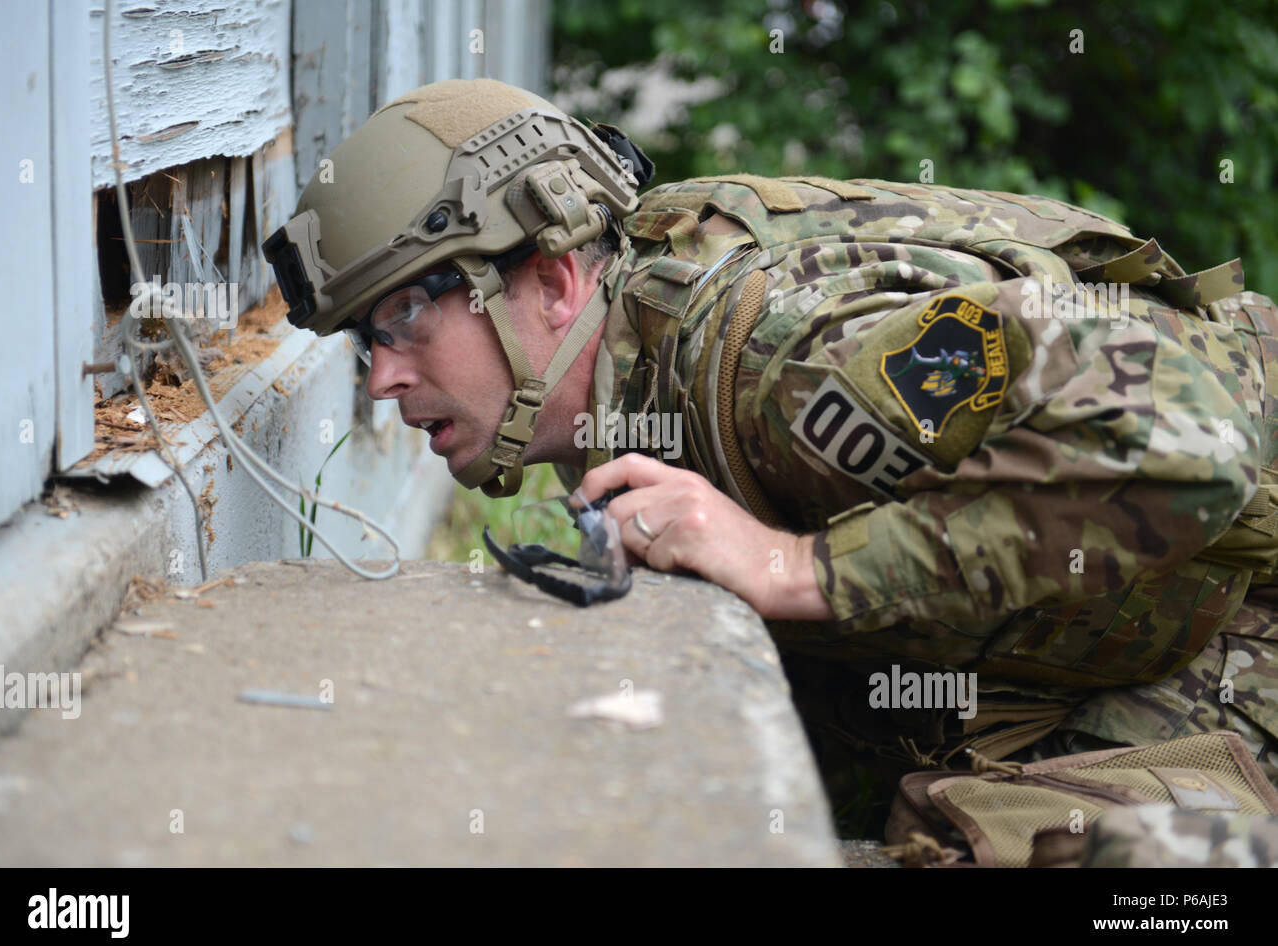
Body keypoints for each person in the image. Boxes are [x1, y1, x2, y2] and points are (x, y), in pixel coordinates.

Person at [263, 78, 1278, 792]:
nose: (383, 377)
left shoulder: (778, 359)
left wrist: (801, 568)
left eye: (402, 321)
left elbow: (1190, 436)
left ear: (551, 280)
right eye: (366, 340)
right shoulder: (640, 370)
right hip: (1123, 635)